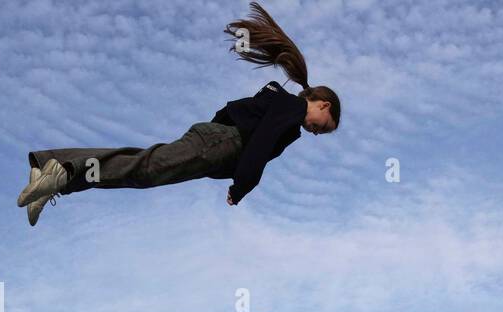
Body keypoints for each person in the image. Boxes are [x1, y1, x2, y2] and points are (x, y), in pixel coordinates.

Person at [17, 4, 340, 226]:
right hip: (219, 144)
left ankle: (55, 174)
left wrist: (218, 146)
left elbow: (228, 112)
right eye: (322, 129)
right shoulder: (292, 109)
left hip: (213, 143)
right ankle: (60, 170)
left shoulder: (278, 101)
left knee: (143, 170)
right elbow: (261, 143)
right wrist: (242, 186)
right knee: (144, 168)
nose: (315, 133)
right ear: (323, 105)